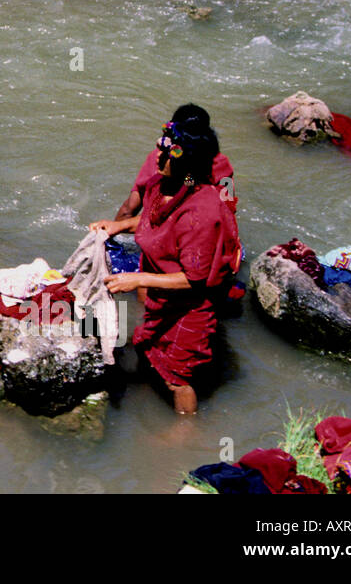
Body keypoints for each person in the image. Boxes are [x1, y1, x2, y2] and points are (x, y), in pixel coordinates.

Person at [92, 121, 241, 414]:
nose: (157, 157)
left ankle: (184, 432)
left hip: (190, 306)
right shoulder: (168, 185)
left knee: (178, 377)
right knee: (149, 349)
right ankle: (149, 388)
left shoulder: (202, 213)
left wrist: (138, 280)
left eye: (166, 153)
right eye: (160, 148)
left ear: (188, 163)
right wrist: (119, 226)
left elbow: (195, 279)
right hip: (163, 293)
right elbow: (156, 220)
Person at [114, 104, 236, 220]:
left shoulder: (159, 158)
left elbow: (129, 209)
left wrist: (117, 228)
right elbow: (228, 211)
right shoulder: (222, 165)